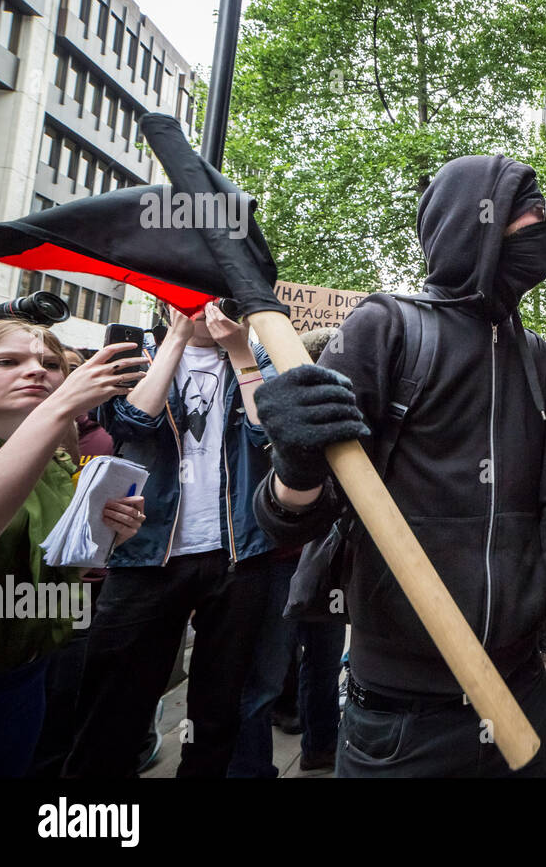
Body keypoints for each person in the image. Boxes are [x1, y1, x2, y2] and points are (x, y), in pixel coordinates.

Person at [250, 154, 546, 777]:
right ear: (471, 224)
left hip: (523, 699)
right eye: (526, 210)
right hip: (400, 722)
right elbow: (288, 521)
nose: (544, 226)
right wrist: (295, 466)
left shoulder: (536, 359)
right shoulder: (385, 328)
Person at [64, 302, 277, 778]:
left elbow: (270, 433)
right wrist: (174, 341)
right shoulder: (134, 351)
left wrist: (240, 350)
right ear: (164, 299)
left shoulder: (256, 358)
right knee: (115, 700)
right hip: (146, 551)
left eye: (220, 297)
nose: (206, 306)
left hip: (238, 552)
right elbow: (132, 423)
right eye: (189, 294)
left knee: (219, 705)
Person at [0, 320, 145, 777]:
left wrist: (106, 536)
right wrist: (57, 409)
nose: (36, 371)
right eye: (7, 361)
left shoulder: (56, 459)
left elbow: (56, 569)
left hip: (26, 675)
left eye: (50, 364)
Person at [228, 327, 346, 777]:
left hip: (320, 558)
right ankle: (254, 766)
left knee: (323, 659)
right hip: (272, 559)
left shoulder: (338, 411)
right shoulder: (269, 400)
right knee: (264, 674)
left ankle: (322, 745)